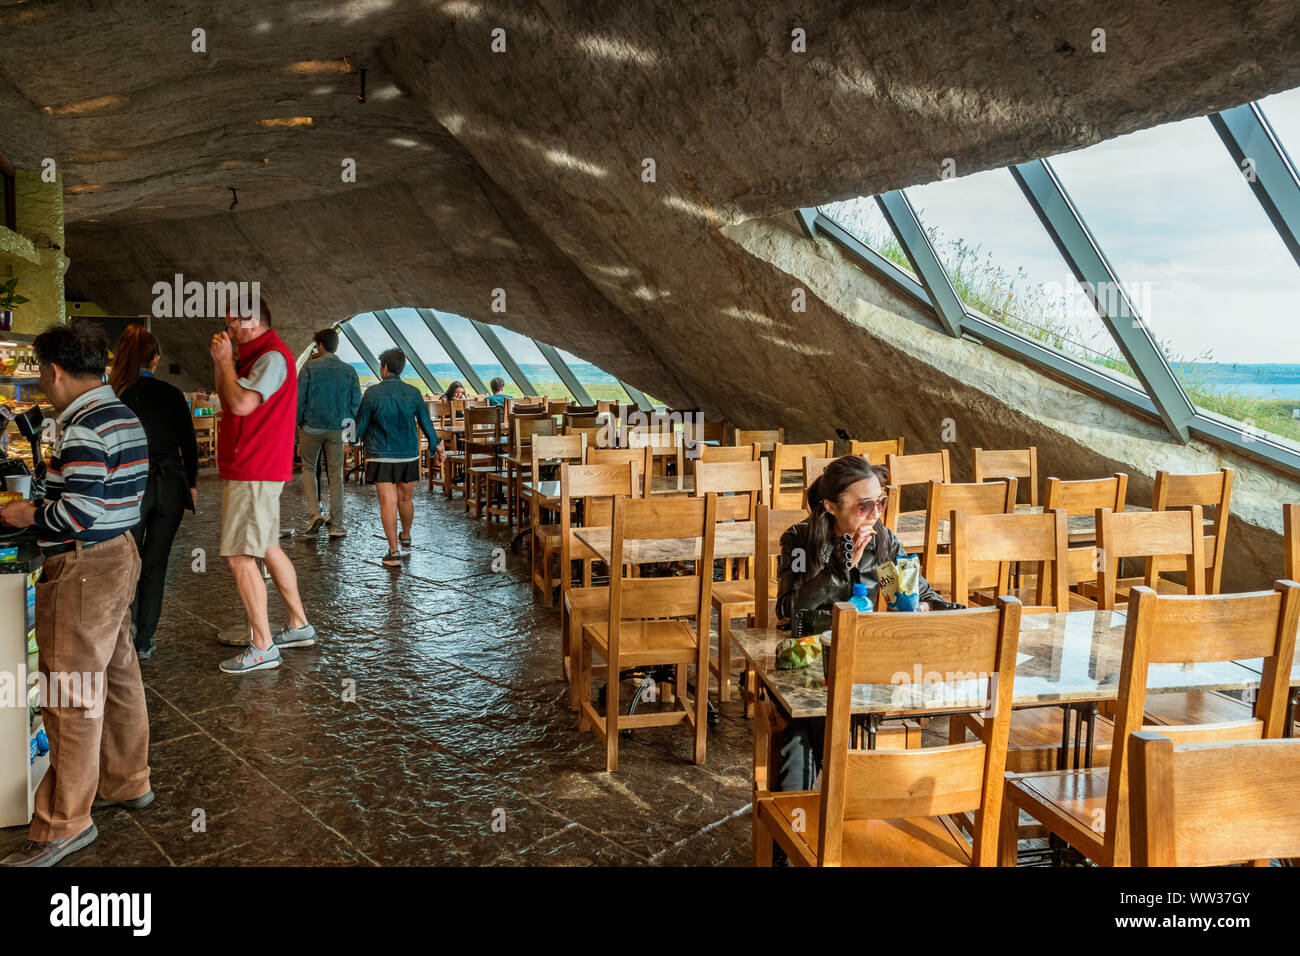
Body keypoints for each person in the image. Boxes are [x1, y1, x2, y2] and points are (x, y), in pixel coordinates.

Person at [0, 321, 150, 867]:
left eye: (43, 374)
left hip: (85, 566)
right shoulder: (122, 413)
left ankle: (64, 824)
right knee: (116, 677)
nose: (43, 384)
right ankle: (127, 781)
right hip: (120, 553)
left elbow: (78, 514)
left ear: (57, 371)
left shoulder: (85, 425)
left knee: (69, 694)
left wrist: (24, 513)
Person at [774, 455, 953, 792]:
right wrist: (839, 569)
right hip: (809, 664)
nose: (874, 514)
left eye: (880, 503)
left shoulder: (882, 541)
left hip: (866, 668)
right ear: (830, 505)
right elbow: (787, 609)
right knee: (813, 717)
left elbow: (927, 595)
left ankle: (804, 822)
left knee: (807, 728)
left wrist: (921, 606)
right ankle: (839, 803)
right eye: (864, 506)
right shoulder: (800, 540)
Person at [210, 300, 316, 674]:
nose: (229, 332)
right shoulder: (259, 358)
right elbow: (232, 397)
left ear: (252, 323)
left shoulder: (271, 358)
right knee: (268, 547)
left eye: (233, 325)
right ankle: (299, 625)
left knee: (240, 556)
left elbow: (239, 404)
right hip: (259, 467)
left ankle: (263, 645)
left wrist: (224, 362)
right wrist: (226, 363)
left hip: (253, 469)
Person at [110, 325, 199, 661]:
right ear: (156, 359)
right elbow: (188, 445)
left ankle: (122, 634)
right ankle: (144, 640)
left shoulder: (118, 394)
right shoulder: (173, 393)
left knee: (125, 562)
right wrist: (190, 487)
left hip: (133, 487)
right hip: (172, 486)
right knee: (155, 564)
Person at [355, 348, 445, 567]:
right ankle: (406, 536)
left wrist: (348, 442)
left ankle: (393, 553)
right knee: (406, 498)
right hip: (408, 454)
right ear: (401, 368)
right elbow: (426, 424)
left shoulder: (372, 393)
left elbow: (359, 425)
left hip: (380, 455)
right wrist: (436, 448)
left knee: (388, 502)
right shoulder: (413, 393)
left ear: (384, 367)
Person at [297, 327, 360, 537]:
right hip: (338, 430)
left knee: (308, 469)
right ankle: (337, 524)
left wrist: (299, 426)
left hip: (311, 428)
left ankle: (315, 513)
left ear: (320, 345)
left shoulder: (309, 367)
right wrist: (350, 435)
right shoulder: (349, 370)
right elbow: (355, 406)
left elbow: (300, 401)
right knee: (336, 475)